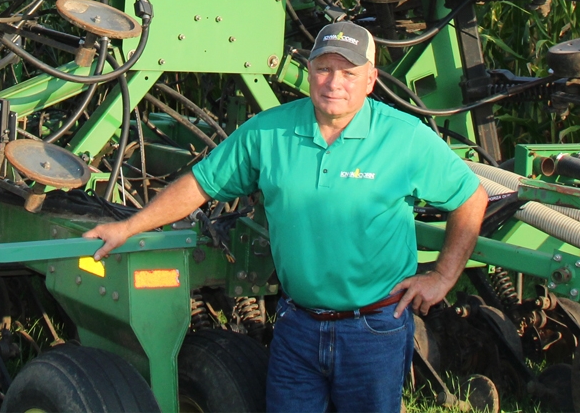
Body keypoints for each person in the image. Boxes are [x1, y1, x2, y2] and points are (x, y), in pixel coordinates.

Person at [85, 21, 488, 413]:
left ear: (370, 78)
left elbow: (471, 197)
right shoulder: (270, 131)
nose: (334, 82)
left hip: (372, 328)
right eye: (324, 69)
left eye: (348, 72)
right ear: (309, 71)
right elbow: (202, 184)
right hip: (298, 324)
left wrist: (443, 276)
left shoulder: (404, 138)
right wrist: (129, 226)